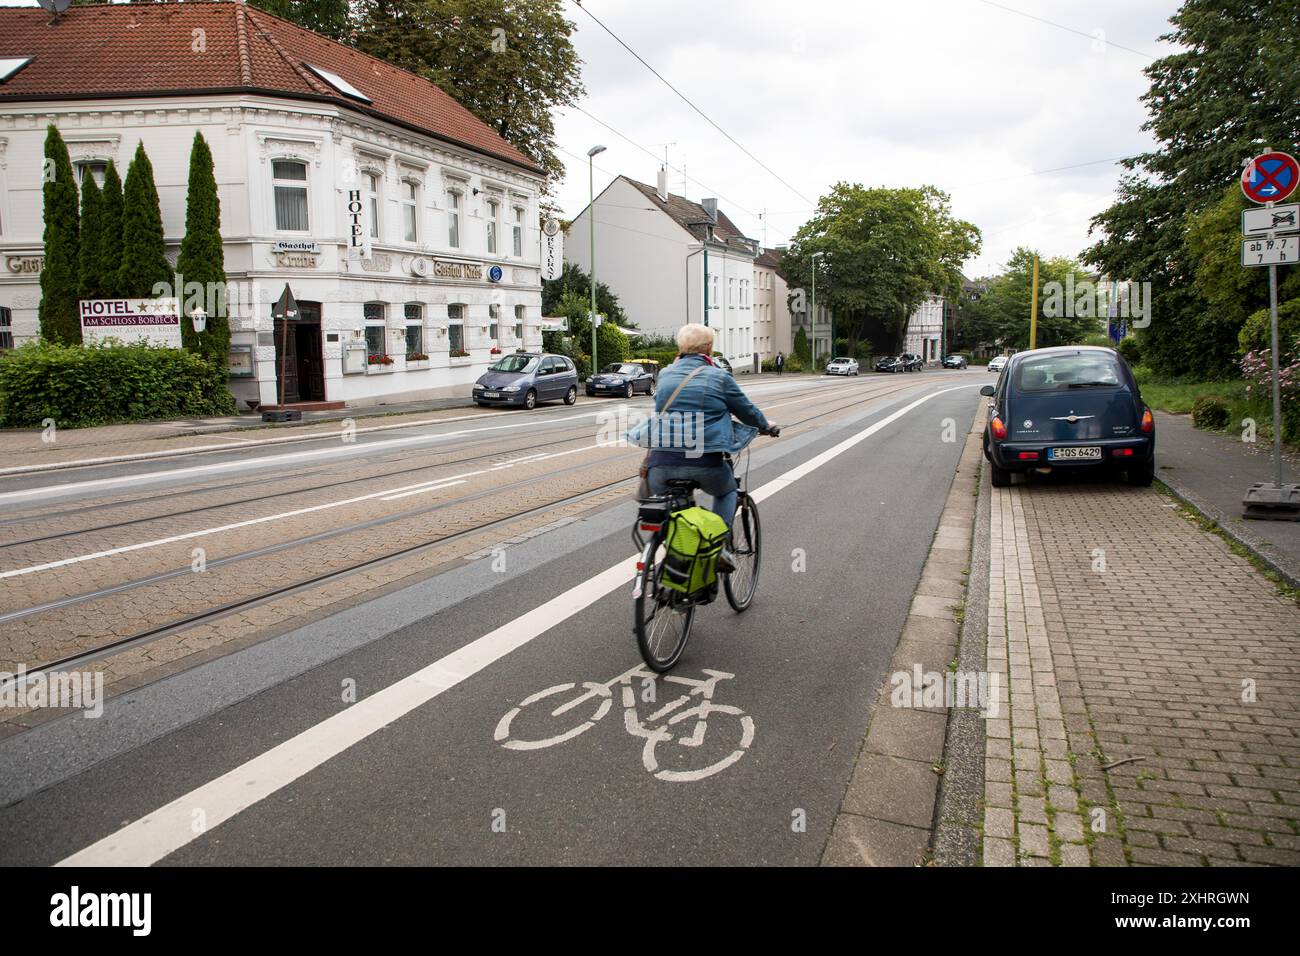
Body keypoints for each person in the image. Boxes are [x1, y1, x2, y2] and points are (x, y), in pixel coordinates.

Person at [628, 324, 777, 569]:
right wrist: (766, 425)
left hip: (660, 464)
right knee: (727, 491)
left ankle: (671, 554)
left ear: (680, 348)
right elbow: (747, 411)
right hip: (704, 462)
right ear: (709, 347)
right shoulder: (718, 376)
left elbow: (661, 407)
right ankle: (716, 547)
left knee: (671, 507)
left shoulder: (666, 374)